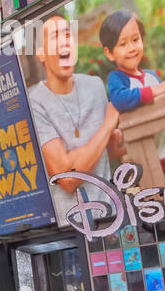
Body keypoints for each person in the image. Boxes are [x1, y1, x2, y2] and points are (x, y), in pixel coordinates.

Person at [26, 14, 123, 225]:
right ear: (41, 54)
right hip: (73, 227)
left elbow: (110, 151)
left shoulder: (95, 85)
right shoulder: (34, 102)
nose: (64, 41)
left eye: (67, 34)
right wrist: (106, 127)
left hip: (112, 216)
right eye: (54, 36)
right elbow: (68, 179)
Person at [100, 9, 165, 180]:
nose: (132, 48)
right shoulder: (117, 79)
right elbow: (120, 99)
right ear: (109, 53)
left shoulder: (151, 76)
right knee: (162, 204)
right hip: (149, 168)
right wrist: (155, 91)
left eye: (135, 39)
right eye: (123, 44)